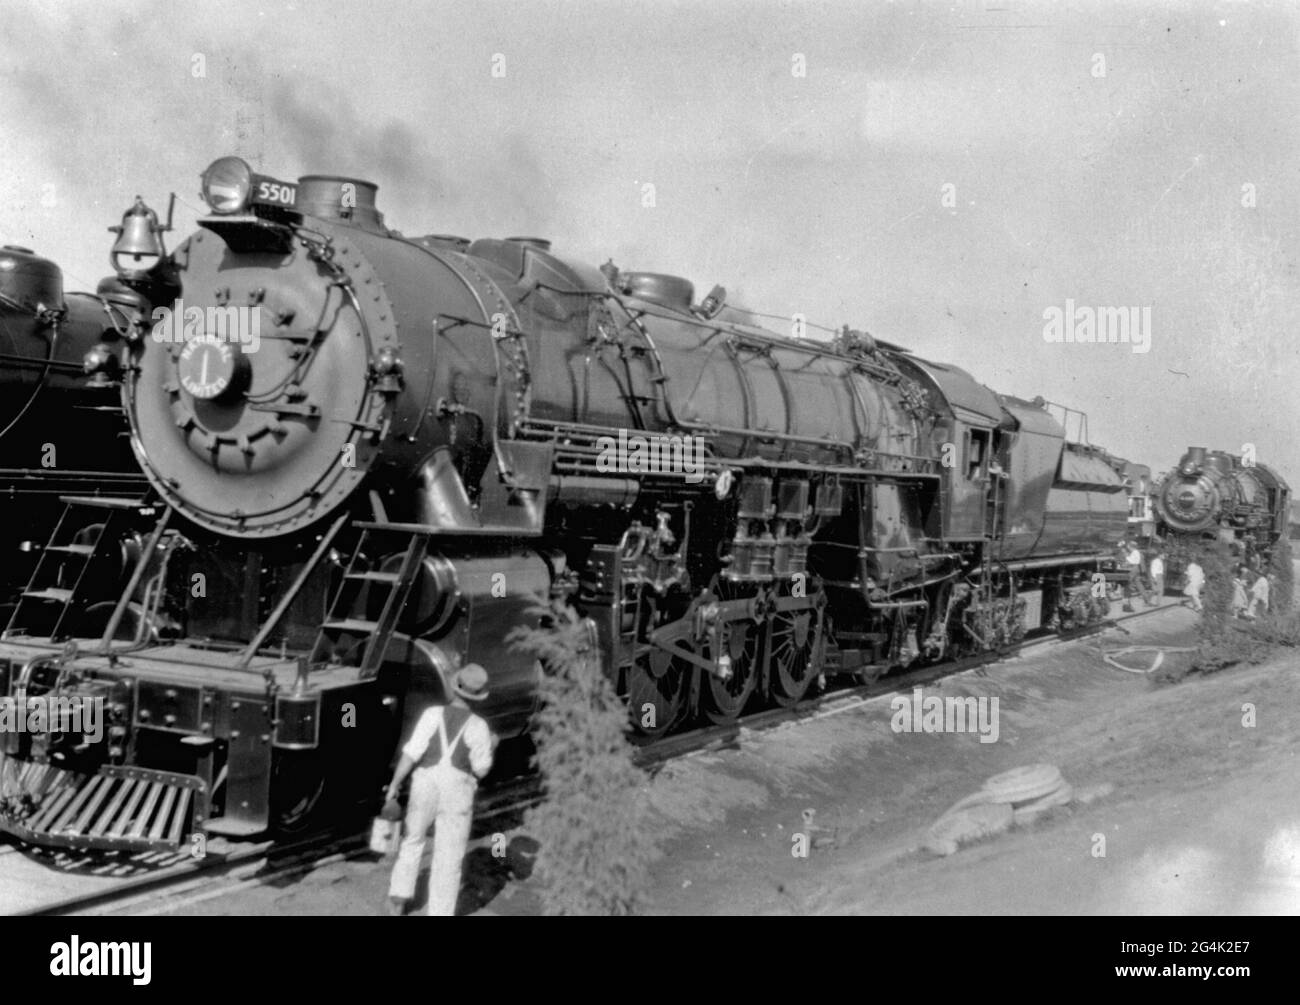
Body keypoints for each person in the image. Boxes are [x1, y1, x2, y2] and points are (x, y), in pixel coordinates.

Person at [386, 664, 495, 917]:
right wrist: (492, 744)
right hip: (458, 788)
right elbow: (481, 770)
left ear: (455, 688)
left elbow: (411, 753)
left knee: (412, 840)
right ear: (478, 696)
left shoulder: (432, 713)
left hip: (425, 781)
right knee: (449, 855)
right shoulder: (479, 726)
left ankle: (398, 902)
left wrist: (394, 784)